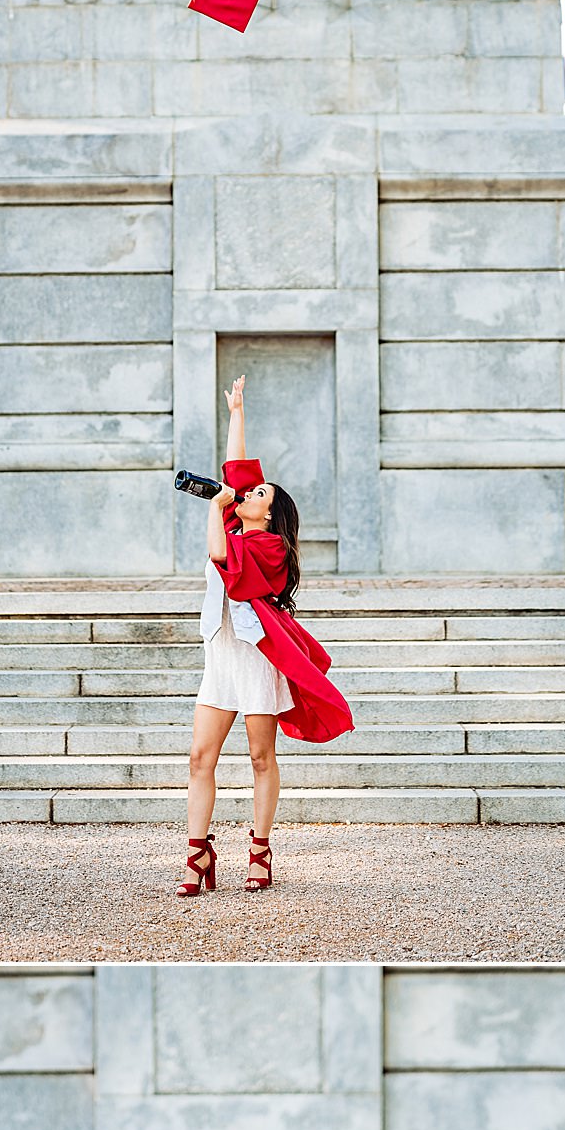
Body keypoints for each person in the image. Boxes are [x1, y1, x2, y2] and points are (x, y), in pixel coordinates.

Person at [179, 375, 353, 898]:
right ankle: (198, 853)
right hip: (221, 652)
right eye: (249, 492)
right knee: (200, 757)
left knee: (260, 757)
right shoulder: (235, 522)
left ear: (270, 512)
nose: (247, 494)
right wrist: (236, 413)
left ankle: (259, 849)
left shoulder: (270, 548)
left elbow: (220, 557)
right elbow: (237, 471)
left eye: (259, 494)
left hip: (257, 656)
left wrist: (216, 507)